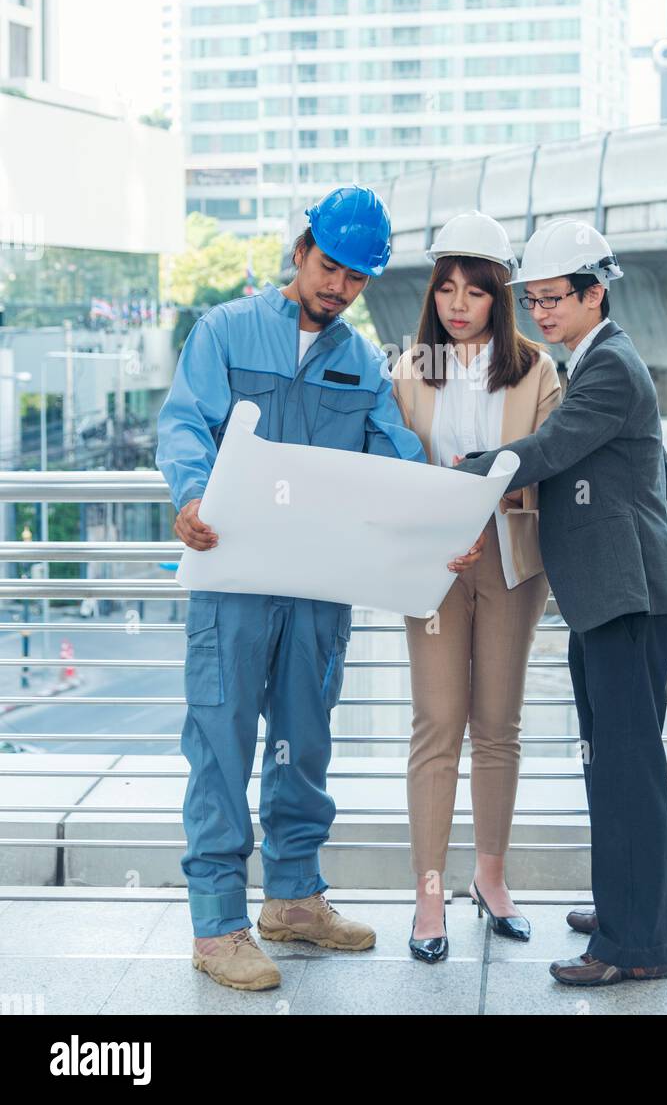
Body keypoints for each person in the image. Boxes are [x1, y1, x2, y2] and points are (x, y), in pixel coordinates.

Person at [155, 184, 437, 992]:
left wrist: (444, 524)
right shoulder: (225, 330)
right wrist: (188, 495)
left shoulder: (360, 363)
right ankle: (217, 927)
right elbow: (182, 426)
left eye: (355, 279)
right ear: (300, 249)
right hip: (234, 577)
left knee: (303, 742)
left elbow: (397, 457)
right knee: (220, 745)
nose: (339, 288)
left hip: (318, 587)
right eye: (330, 267)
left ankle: (292, 898)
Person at [452, 218, 667, 988]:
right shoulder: (600, 361)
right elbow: (662, 479)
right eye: (531, 300)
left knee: (625, 771)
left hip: (622, 598)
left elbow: (552, 451)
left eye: (554, 298)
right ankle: (631, 906)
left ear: (595, 292)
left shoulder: (608, 368)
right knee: (614, 766)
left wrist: (475, 469)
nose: (539, 313)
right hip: (608, 595)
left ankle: (633, 947)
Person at [391, 212, 561, 962]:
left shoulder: (536, 370)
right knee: (437, 723)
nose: (459, 305)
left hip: (508, 559)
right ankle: (429, 892)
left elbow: (552, 465)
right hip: (431, 563)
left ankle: (490, 880)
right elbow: (390, 473)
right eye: (447, 290)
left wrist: (490, 502)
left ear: (500, 296)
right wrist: (435, 520)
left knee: (498, 722)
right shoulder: (406, 370)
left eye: (476, 291)